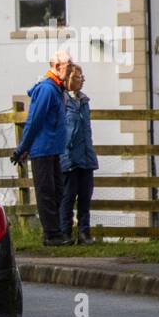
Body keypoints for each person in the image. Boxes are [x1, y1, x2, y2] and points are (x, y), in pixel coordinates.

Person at [11, 48, 71, 246]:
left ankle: (55, 232)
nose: (70, 72)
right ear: (56, 67)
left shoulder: (57, 89)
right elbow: (34, 120)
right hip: (43, 149)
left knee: (57, 191)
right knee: (46, 192)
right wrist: (22, 148)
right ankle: (51, 234)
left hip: (53, 149)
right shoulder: (47, 89)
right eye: (67, 67)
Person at [60, 63, 98, 244]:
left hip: (86, 156)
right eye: (77, 77)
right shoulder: (62, 100)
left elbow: (86, 131)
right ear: (67, 79)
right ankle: (65, 233)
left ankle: (84, 233)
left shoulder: (84, 101)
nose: (82, 80)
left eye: (82, 77)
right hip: (68, 157)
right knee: (68, 196)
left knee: (85, 196)